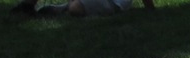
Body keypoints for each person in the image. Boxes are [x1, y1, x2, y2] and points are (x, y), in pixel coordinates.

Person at [14, 0, 152, 15]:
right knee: (75, 6)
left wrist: (150, 8)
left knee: (75, 8)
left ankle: (64, 9)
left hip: (114, 3)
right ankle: (28, 5)